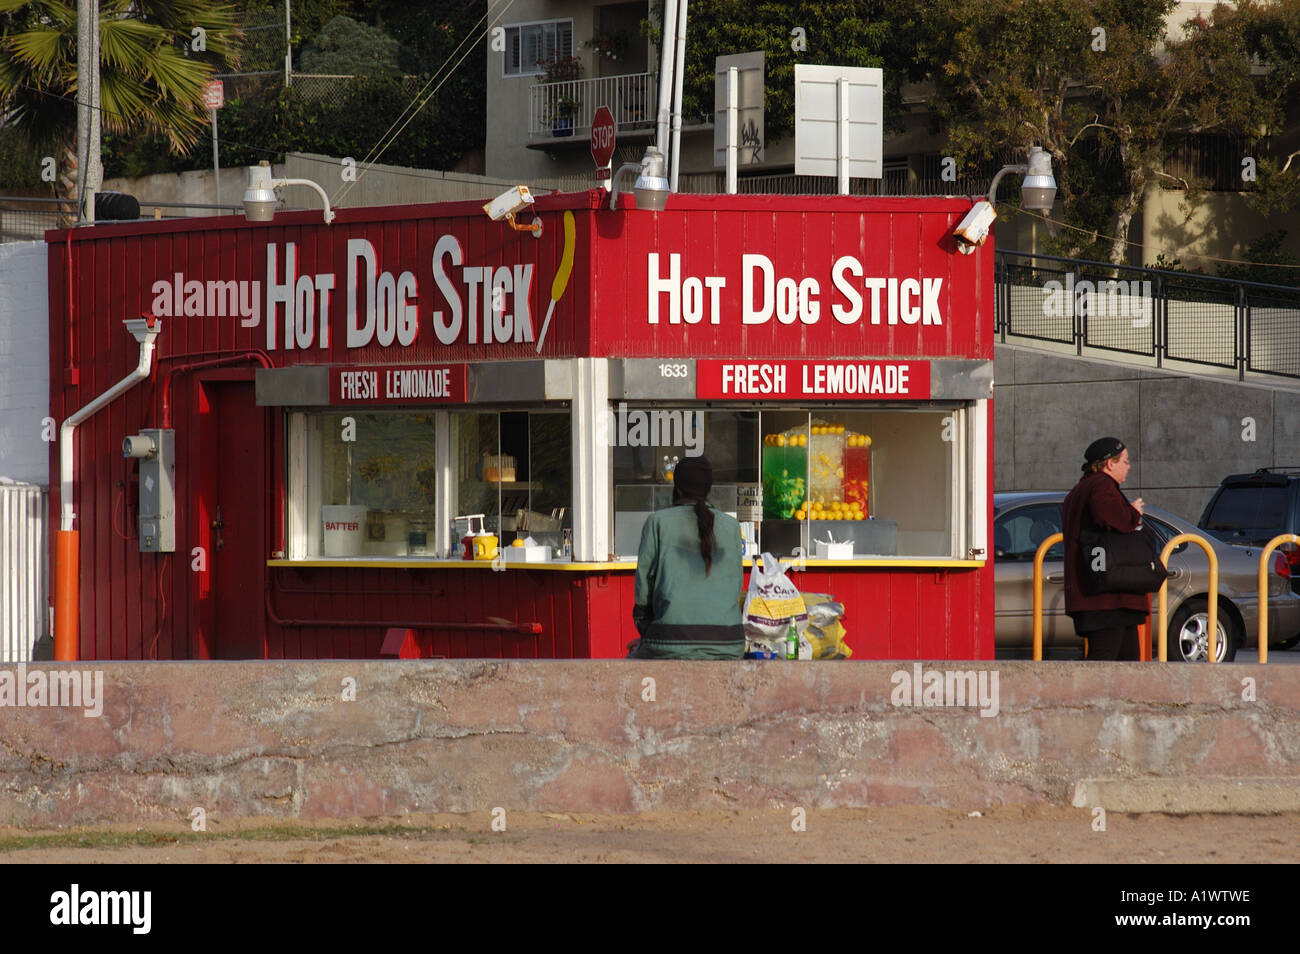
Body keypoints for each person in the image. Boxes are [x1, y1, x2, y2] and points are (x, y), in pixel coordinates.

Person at [629, 455, 745, 659]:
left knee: (633, 661)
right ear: (708, 489)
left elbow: (643, 593)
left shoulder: (657, 522)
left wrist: (651, 634)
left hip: (669, 639)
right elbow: (735, 585)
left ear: (677, 487)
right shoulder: (731, 526)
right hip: (728, 642)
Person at [1062, 437, 1147, 660]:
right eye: (1126, 461)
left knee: (1125, 661)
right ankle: (1088, 696)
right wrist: (1133, 512)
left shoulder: (1080, 489)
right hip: (1106, 597)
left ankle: (1121, 697)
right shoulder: (1102, 486)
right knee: (1105, 664)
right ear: (1110, 463)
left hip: (1103, 596)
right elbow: (1112, 517)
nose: (1129, 466)